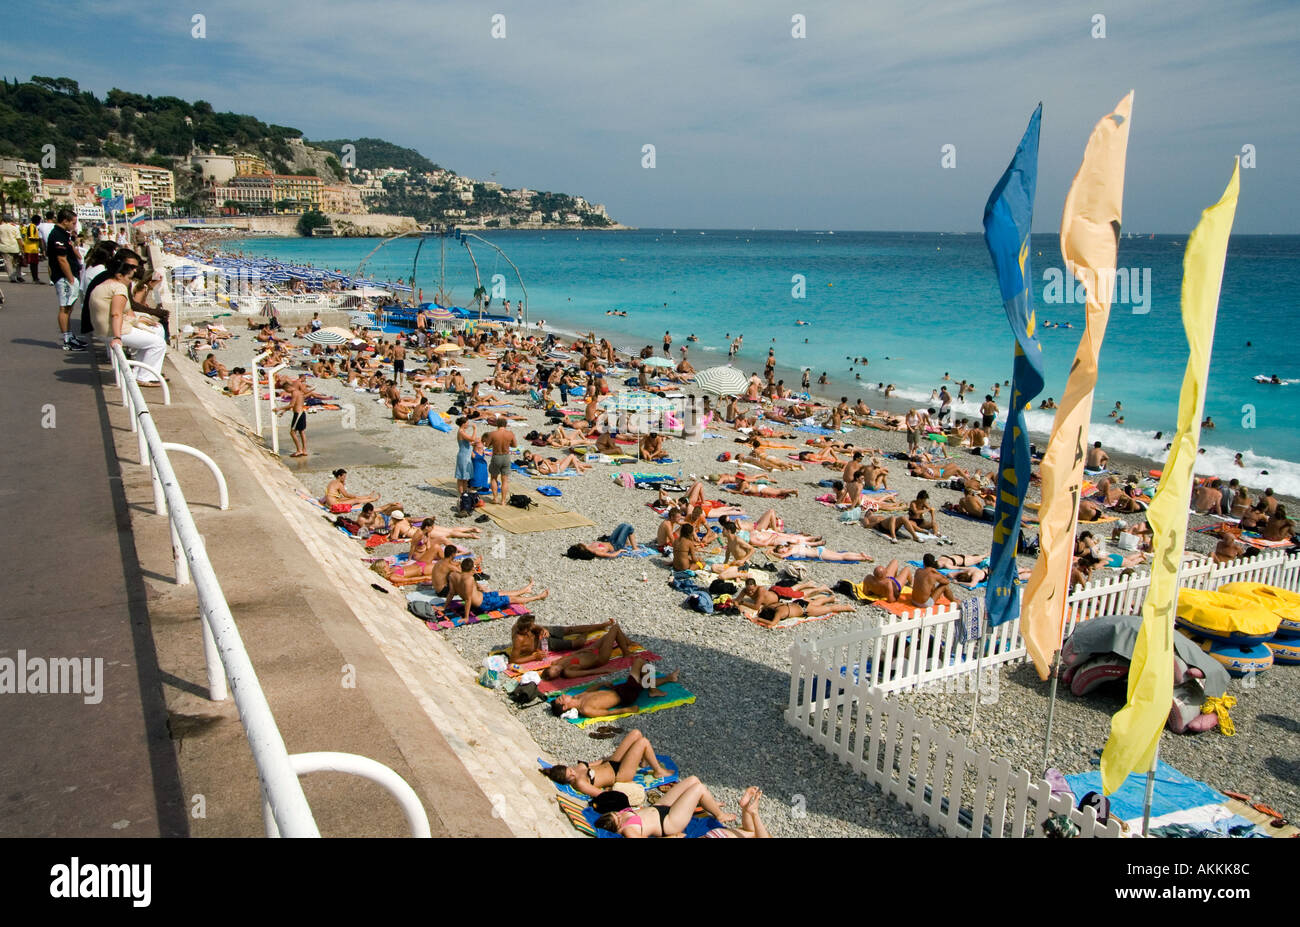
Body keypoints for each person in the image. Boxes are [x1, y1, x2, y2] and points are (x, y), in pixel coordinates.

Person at [87, 249, 166, 384]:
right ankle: (145, 377)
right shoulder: (119, 288)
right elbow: (116, 314)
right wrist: (117, 337)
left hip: (103, 328)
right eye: (129, 278)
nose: (130, 281)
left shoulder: (104, 284)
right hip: (112, 330)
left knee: (156, 330)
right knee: (158, 344)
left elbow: (115, 312)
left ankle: (139, 372)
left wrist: (136, 320)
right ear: (119, 275)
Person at [540, 729, 672, 797]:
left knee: (636, 733)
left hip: (611, 763)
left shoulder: (575, 769)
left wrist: (611, 757)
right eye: (571, 776)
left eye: (570, 770)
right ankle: (658, 771)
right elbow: (599, 794)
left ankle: (642, 762)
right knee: (643, 742)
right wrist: (611, 789)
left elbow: (596, 763)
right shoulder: (580, 783)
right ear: (567, 781)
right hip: (619, 775)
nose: (573, 772)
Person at [550, 656, 678, 719]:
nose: (562, 696)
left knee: (644, 682)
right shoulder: (586, 709)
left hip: (617, 690)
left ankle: (669, 679)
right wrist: (628, 710)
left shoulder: (577, 697)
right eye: (561, 700)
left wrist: (601, 684)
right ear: (565, 707)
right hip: (625, 696)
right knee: (639, 662)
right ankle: (654, 690)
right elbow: (607, 713)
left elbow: (590, 690)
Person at [47, 209, 86, 351]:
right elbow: (61, 259)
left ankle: (70, 336)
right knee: (64, 308)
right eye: (73, 223)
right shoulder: (57, 235)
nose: (75, 226)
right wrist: (70, 279)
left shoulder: (64, 234)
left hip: (69, 275)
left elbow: (71, 251)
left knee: (69, 307)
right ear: (65, 221)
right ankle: (67, 339)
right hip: (63, 277)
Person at [485, 417, 517, 505]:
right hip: (506, 456)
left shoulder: (493, 434)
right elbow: (514, 445)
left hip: (496, 456)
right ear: (506, 424)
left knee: (494, 477)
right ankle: (503, 501)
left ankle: (495, 498)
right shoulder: (510, 434)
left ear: (497, 424)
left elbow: (487, 445)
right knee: (505, 480)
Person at [455, 417, 477, 496]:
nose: (468, 424)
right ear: (463, 424)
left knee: (465, 476)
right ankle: (461, 493)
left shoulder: (463, 431)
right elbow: (472, 439)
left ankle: (465, 492)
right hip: (463, 455)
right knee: (461, 476)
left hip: (466, 455)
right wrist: (475, 429)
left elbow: (468, 442)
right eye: (467, 423)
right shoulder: (461, 431)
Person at [20, 215, 42, 283]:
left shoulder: (33, 226)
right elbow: (30, 237)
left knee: (34, 264)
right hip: (31, 249)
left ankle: (35, 278)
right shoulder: (32, 226)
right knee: (33, 264)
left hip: (34, 248)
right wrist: (39, 239)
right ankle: (35, 279)